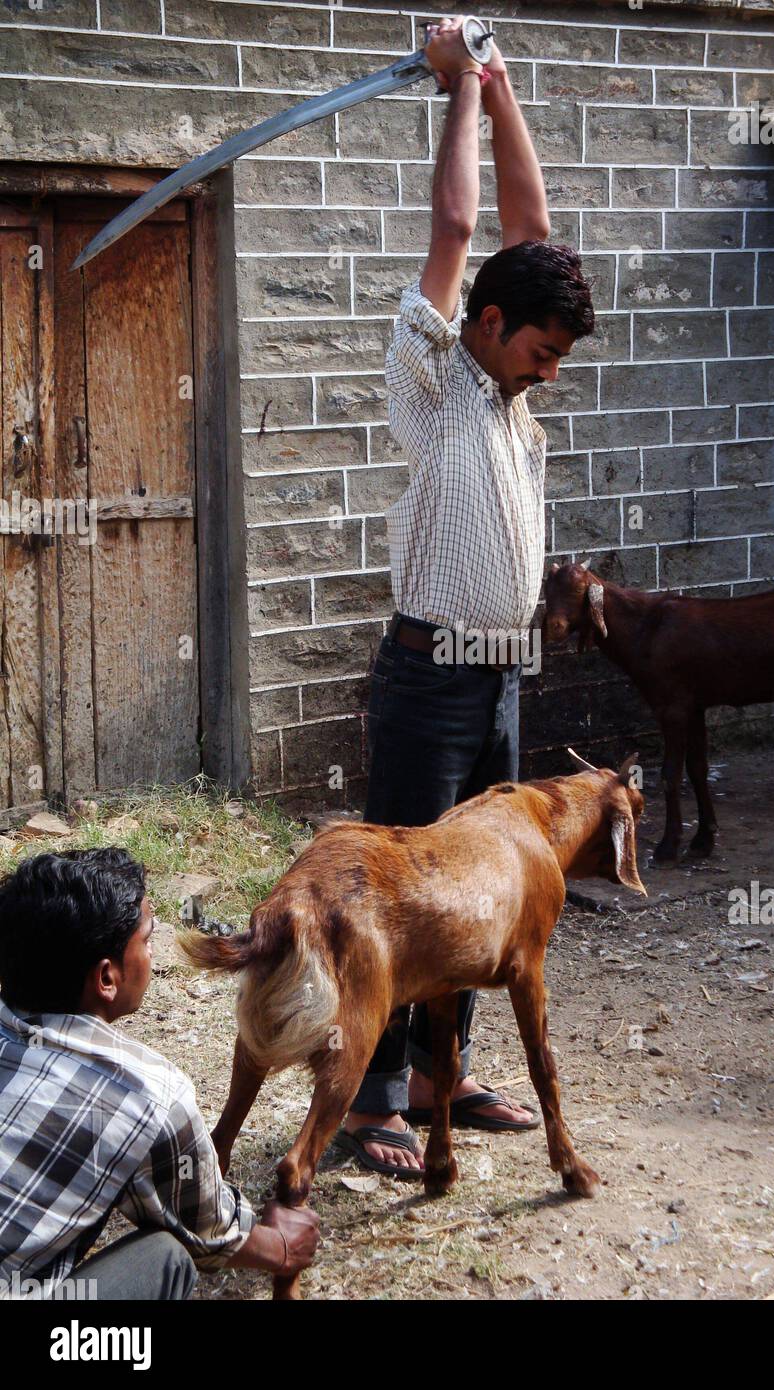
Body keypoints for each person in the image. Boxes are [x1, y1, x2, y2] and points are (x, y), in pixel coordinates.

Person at [337, 17, 595, 1178]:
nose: (550, 372)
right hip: (429, 668)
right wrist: (450, 89)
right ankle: (369, 1096)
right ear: (485, 330)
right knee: (403, 889)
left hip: (499, 673)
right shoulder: (439, 384)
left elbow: (527, 234)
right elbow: (459, 228)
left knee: (479, 890)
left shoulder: (509, 398)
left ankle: (446, 1074)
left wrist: (498, 82)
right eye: (541, 352)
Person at [0, 847, 319, 1300]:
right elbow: (209, 1233)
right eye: (147, 941)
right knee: (165, 1258)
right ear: (106, 978)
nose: (153, 954)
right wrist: (284, 1245)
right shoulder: (147, 1094)